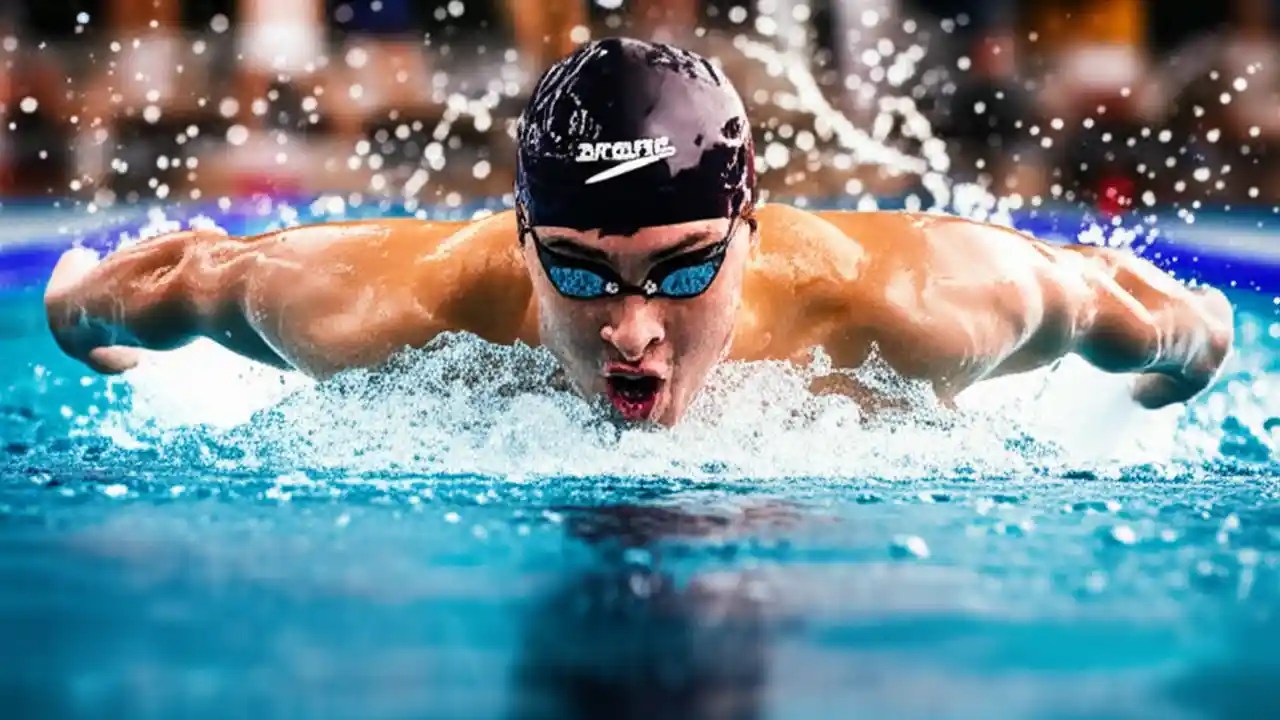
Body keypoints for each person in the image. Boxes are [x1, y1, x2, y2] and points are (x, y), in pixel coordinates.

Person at [44, 38, 1234, 426]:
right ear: (519, 241)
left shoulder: (917, 304)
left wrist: (1161, 380)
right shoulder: (369, 308)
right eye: (577, 270)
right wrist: (86, 323)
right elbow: (176, 279)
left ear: (748, 229)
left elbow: (1152, 317)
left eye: (680, 273)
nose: (629, 334)